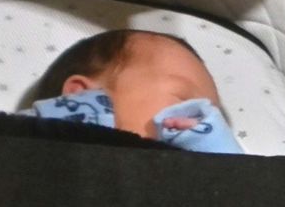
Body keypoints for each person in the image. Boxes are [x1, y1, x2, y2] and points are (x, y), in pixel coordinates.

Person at [28, 30, 242, 153]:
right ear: (80, 96)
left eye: (216, 123)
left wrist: (220, 152)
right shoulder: (36, 144)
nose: (203, 121)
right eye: (183, 98)